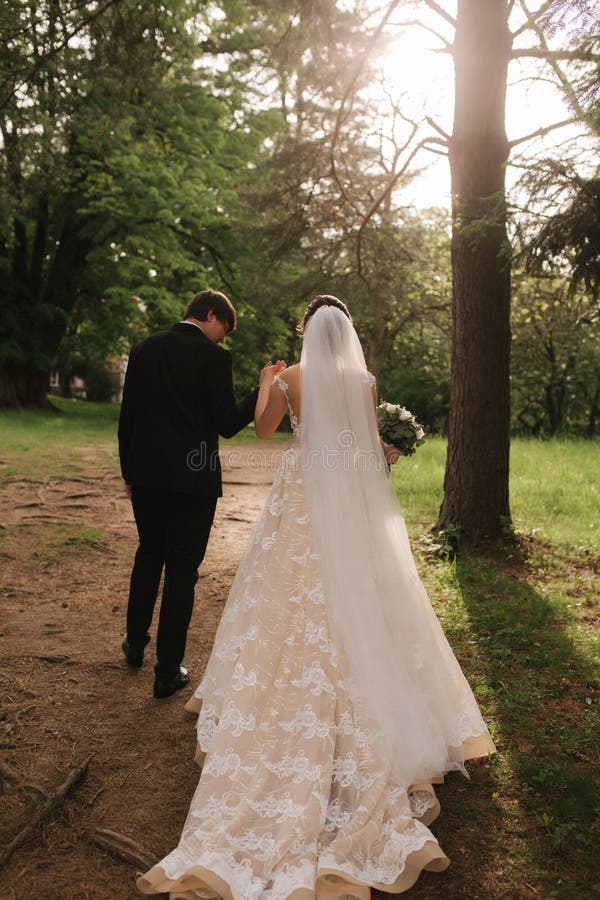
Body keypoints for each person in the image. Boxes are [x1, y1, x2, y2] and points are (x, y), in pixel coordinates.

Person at [137, 295, 496, 896]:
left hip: (303, 488)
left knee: (282, 590)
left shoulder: (291, 378)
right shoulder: (364, 380)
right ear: (348, 332)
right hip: (344, 492)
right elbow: (360, 444)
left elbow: (264, 428)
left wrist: (265, 384)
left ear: (306, 332)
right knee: (354, 589)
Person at [118, 288, 281, 699]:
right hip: (194, 481)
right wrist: (262, 387)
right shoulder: (213, 358)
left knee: (148, 552)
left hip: (146, 475)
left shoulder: (143, 349)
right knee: (181, 572)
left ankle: (134, 645)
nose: (221, 339)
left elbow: (128, 418)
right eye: (222, 330)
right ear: (211, 315)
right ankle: (167, 672)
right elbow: (227, 423)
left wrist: (129, 473)